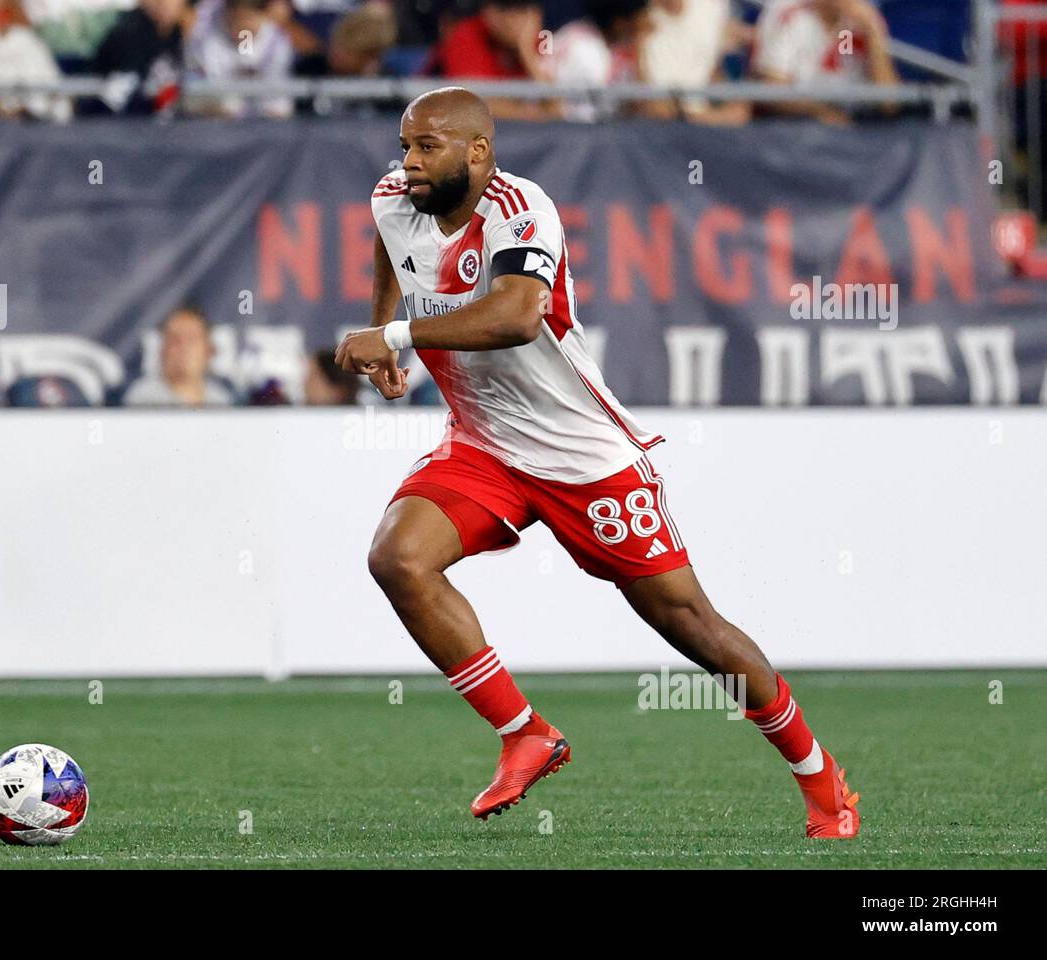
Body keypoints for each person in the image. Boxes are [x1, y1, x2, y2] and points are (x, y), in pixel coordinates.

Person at [334, 87, 861, 836]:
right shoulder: (396, 197)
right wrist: (384, 321)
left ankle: (820, 779)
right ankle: (524, 732)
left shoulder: (522, 210)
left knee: (691, 625)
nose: (408, 161)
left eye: (427, 146)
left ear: (478, 152)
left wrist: (394, 340)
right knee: (397, 557)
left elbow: (517, 317)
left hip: (583, 454)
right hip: (484, 442)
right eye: (404, 144)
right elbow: (390, 247)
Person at [751, 0, 898, 123]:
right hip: (793, 126)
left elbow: (889, 104)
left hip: (853, 125)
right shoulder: (792, 16)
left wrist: (873, 35)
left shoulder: (859, 25)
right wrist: (821, 113)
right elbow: (773, 89)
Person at [426, 0, 557, 120]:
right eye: (504, 9)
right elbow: (471, 104)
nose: (512, 20)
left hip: (519, 133)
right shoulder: (466, 34)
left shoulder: (542, 41)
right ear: (486, 10)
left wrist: (527, 54)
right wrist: (532, 113)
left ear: (537, 14)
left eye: (521, 9)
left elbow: (558, 108)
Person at [184, 0, 293, 117]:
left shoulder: (277, 43)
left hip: (264, 121)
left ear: (262, 15)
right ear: (227, 14)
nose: (243, 26)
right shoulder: (207, 42)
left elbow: (280, 103)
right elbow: (202, 95)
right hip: (219, 125)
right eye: (237, 19)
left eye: (249, 18)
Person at [124, 305, 236, 407]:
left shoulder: (221, 400)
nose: (184, 348)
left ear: (208, 350)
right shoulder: (143, 399)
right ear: (162, 350)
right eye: (175, 339)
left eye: (192, 339)